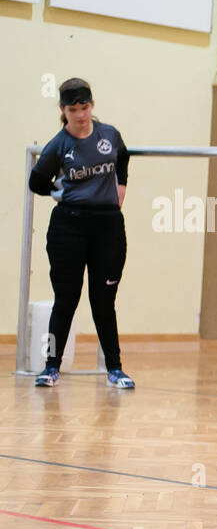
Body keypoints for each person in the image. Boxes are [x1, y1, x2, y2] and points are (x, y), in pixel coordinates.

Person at [27, 78, 134, 389]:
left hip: (108, 227)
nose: (80, 115)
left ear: (92, 105)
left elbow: (123, 159)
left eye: (84, 107)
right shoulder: (58, 146)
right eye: (73, 109)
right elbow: (36, 183)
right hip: (68, 228)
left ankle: (114, 369)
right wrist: (59, 192)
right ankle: (51, 367)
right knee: (66, 299)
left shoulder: (109, 135)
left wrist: (121, 188)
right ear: (63, 110)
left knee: (103, 300)